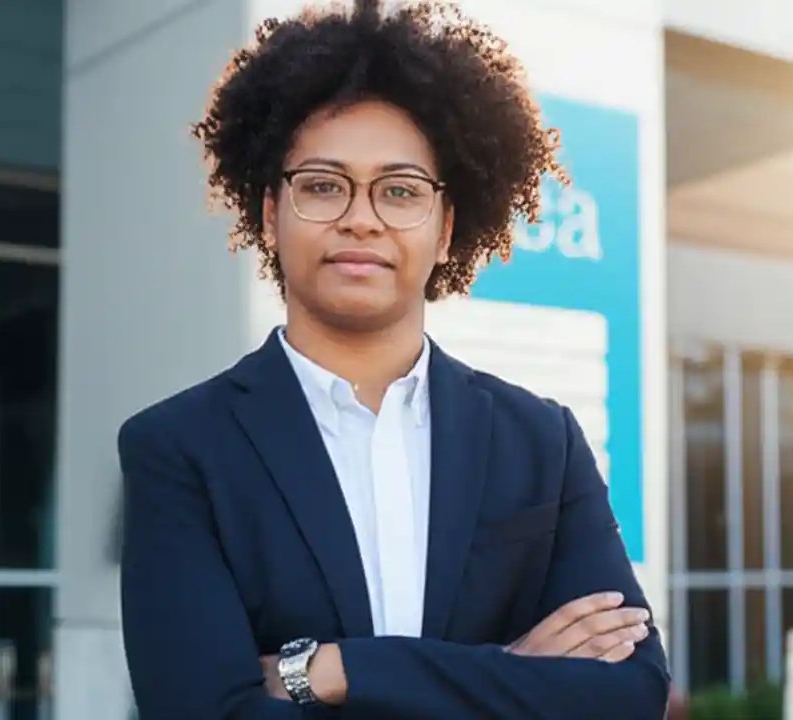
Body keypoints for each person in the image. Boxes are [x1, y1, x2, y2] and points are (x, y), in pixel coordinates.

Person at [117, 1, 669, 717]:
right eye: (322, 184)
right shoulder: (179, 449)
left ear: (445, 228)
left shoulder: (541, 442)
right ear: (267, 216)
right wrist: (504, 674)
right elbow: (205, 711)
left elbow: (627, 695)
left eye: (400, 190)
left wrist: (339, 669)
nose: (361, 216)